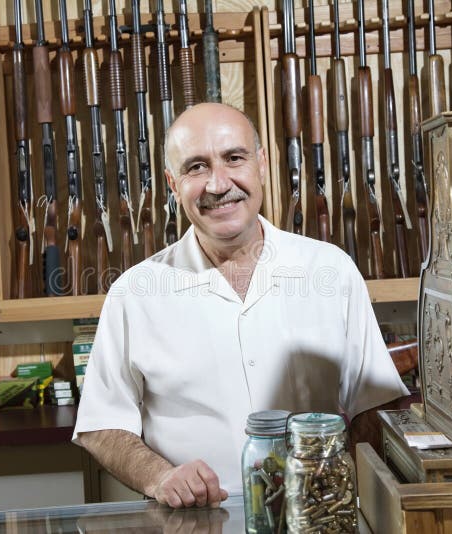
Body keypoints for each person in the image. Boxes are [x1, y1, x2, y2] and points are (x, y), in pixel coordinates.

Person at [73, 103, 409, 509]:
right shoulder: (134, 293)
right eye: (196, 167)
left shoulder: (331, 270)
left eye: (234, 158)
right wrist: (159, 476)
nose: (218, 184)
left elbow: (376, 403)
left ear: (261, 164)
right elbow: (101, 424)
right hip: (193, 522)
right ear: (173, 184)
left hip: (315, 517)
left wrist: (340, 491)